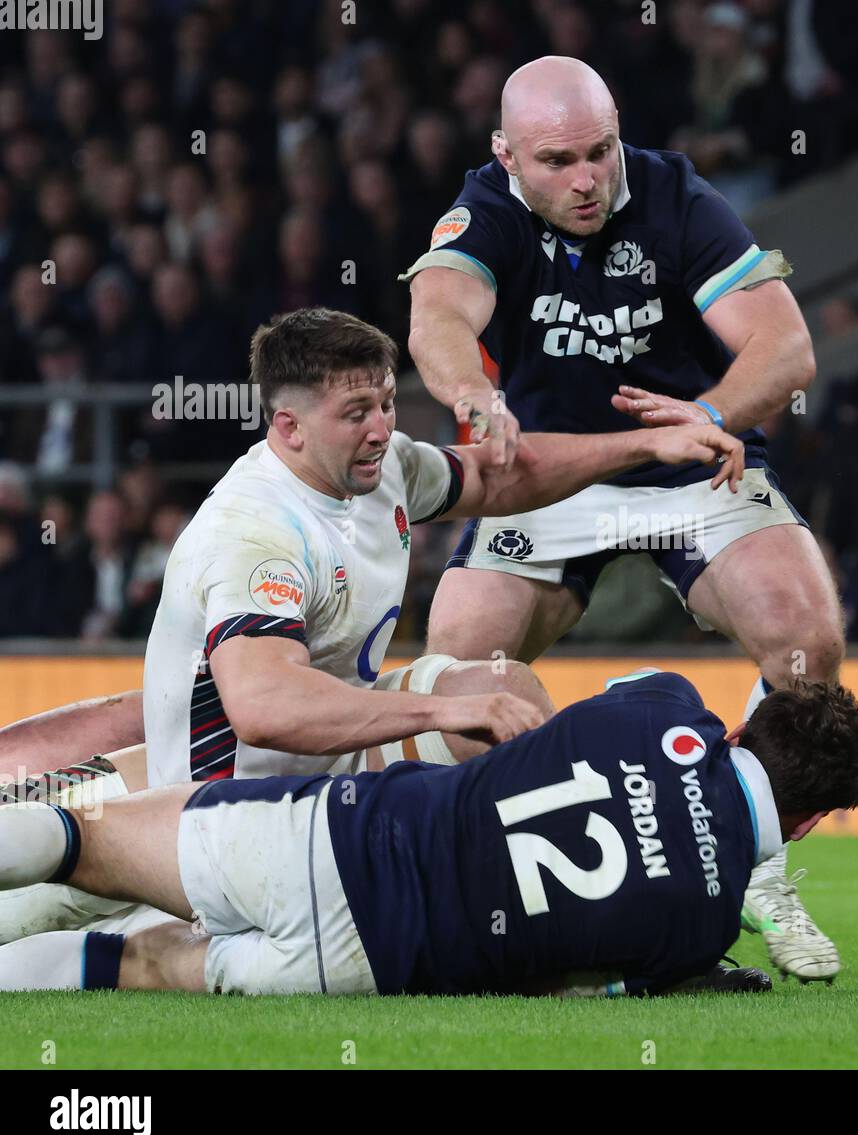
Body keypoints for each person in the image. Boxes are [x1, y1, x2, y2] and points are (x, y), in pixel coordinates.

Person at [0, 306, 743, 943]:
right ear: (287, 426)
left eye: (387, 402)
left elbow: (495, 474)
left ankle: (588, 917)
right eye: (357, 413)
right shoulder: (256, 534)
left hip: (332, 770)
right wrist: (445, 707)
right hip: (223, 819)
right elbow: (265, 707)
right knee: (57, 919)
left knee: (499, 690)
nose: (383, 428)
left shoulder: (375, 466)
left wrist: (644, 449)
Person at [403, 55, 845, 982]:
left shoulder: (681, 199)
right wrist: (472, 397)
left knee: (807, 644)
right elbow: (437, 311)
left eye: (599, 151)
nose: (588, 179)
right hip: (553, 473)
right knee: (457, 671)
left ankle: (759, 867)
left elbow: (787, 345)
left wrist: (715, 414)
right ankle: (486, 897)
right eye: (557, 161)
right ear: (507, 157)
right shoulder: (484, 209)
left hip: (687, 453)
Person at [0, 674, 858, 996]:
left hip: (337, 842)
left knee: (87, 836)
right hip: (368, 968)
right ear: (808, 821)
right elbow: (567, 983)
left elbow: (628, 694)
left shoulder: (670, 713)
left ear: (742, 730)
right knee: (137, 965)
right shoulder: (703, 931)